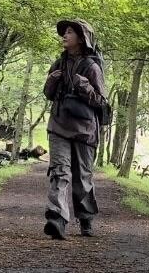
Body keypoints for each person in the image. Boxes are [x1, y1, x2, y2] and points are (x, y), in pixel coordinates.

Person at [42, 18, 106, 239]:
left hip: (85, 131)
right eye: (64, 32)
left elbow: (101, 102)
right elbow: (48, 94)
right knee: (59, 172)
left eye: (69, 32)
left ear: (82, 38)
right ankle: (56, 219)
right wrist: (51, 81)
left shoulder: (92, 67)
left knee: (83, 177)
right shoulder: (57, 64)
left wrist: (85, 87)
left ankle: (86, 219)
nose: (64, 36)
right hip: (59, 126)